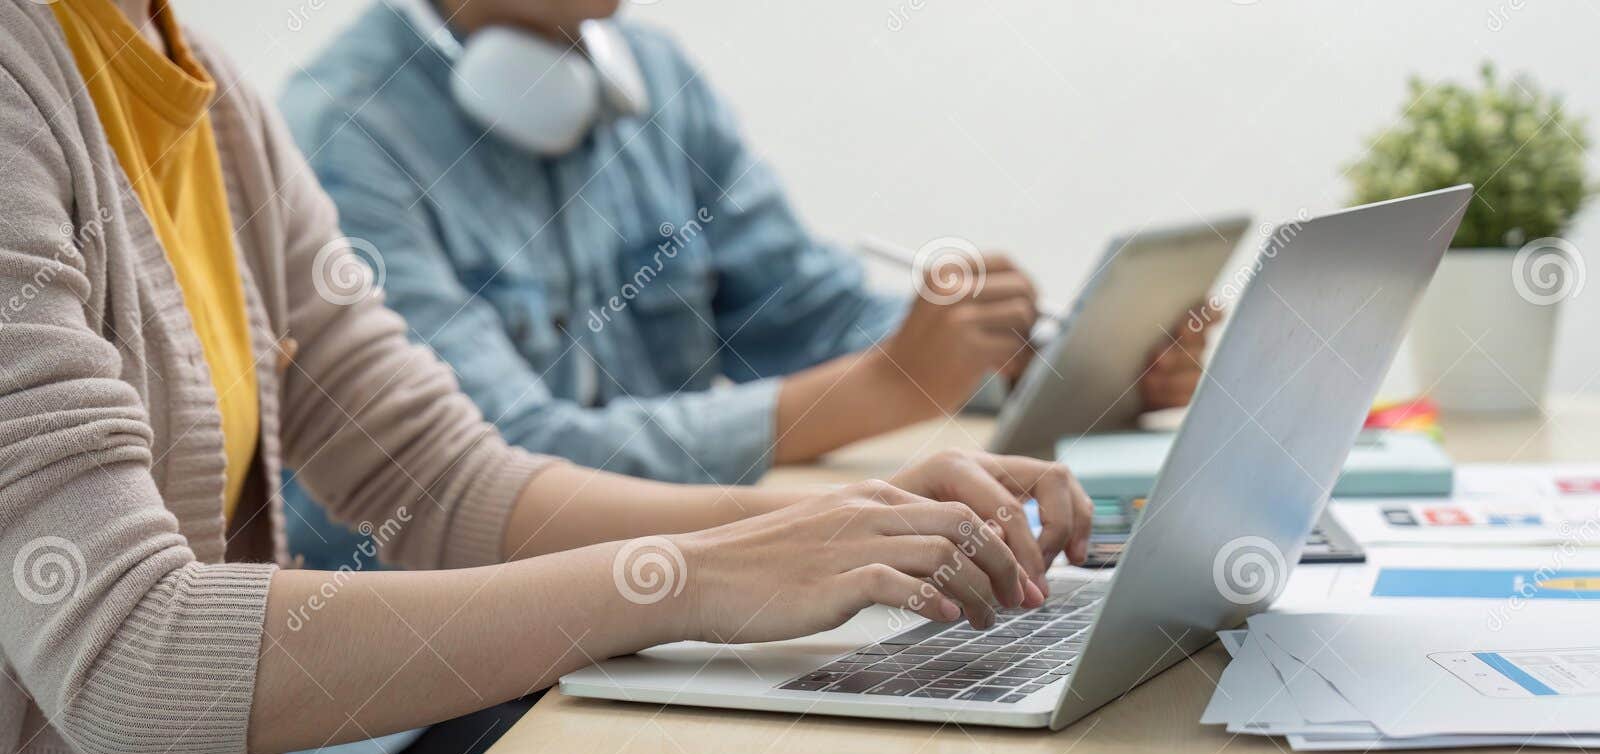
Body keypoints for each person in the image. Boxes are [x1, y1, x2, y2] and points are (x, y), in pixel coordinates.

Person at [0, 0, 1093, 754]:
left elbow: (445, 483)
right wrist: (689, 578)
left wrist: (837, 523)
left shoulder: (210, 97)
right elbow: (130, 655)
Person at [277, 0, 1213, 573]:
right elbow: (508, 471)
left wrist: (1040, 364)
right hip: (448, 662)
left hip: (667, 578)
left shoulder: (652, 74)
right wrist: (888, 384)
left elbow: (810, 311)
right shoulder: (344, 138)